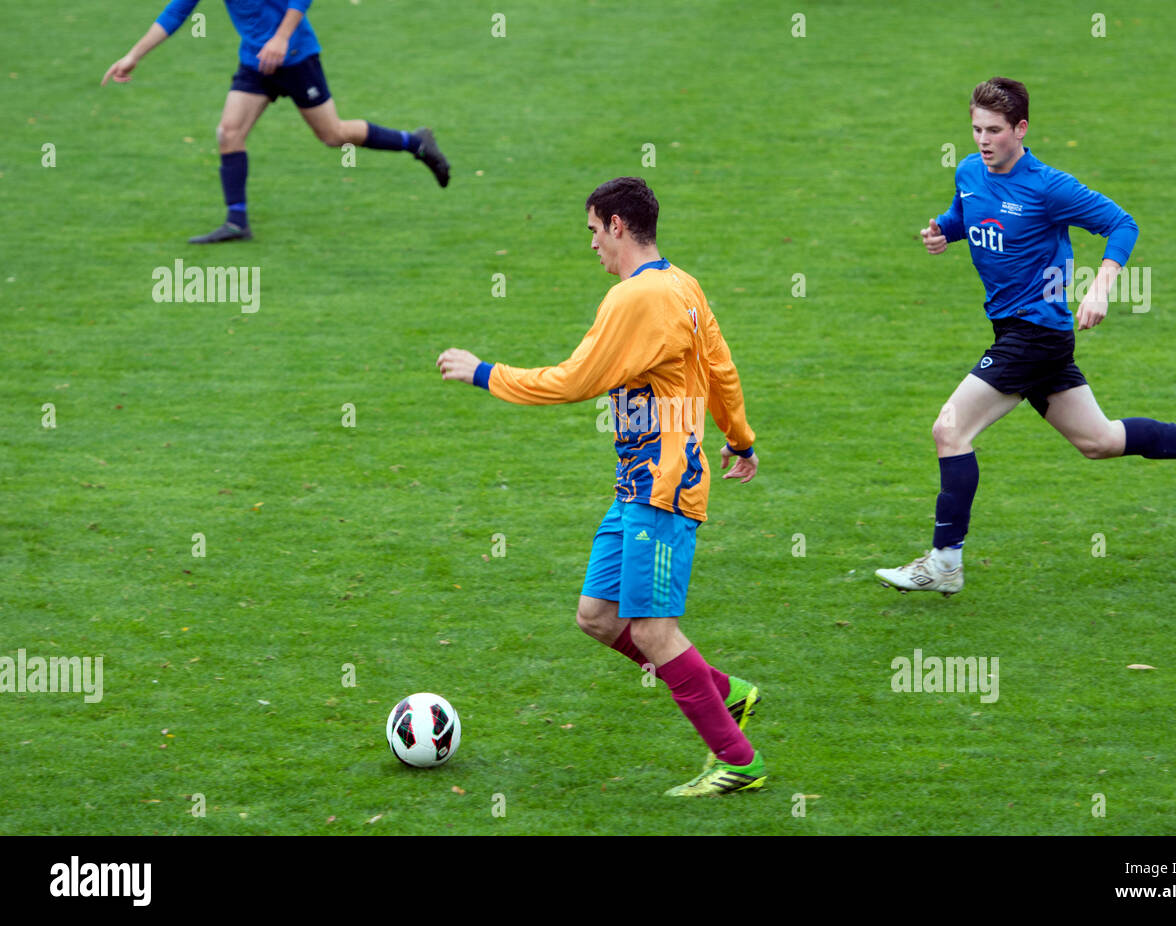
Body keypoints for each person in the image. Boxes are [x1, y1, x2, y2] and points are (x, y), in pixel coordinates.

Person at [436, 177, 766, 797]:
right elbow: (721, 369)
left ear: (617, 225)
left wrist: (484, 373)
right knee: (595, 616)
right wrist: (740, 438)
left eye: (592, 230)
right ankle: (725, 694)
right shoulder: (683, 284)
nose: (591, 245)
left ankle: (738, 760)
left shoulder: (634, 299)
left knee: (652, 630)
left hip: (663, 490)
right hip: (636, 487)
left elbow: (572, 380)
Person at [876, 77, 1176, 597]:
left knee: (949, 431)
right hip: (1021, 332)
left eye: (994, 130)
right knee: (1097, 441)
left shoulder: (1048, 186)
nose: (983, 141)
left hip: (1035, 335)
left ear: (1021, 128)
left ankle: (945, 562)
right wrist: (942, 232)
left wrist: (1099, 289)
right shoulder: (970, 170)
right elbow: (965, 215)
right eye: (975, 130)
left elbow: (1122, 224)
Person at [101, 0, 450, 243]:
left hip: (295, 56)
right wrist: (133, 56)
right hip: (256, 61)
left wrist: (281, 37)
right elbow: (176, 11)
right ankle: (236, 222)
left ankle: (415, 143)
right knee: (228, 133)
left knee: (333, 134)